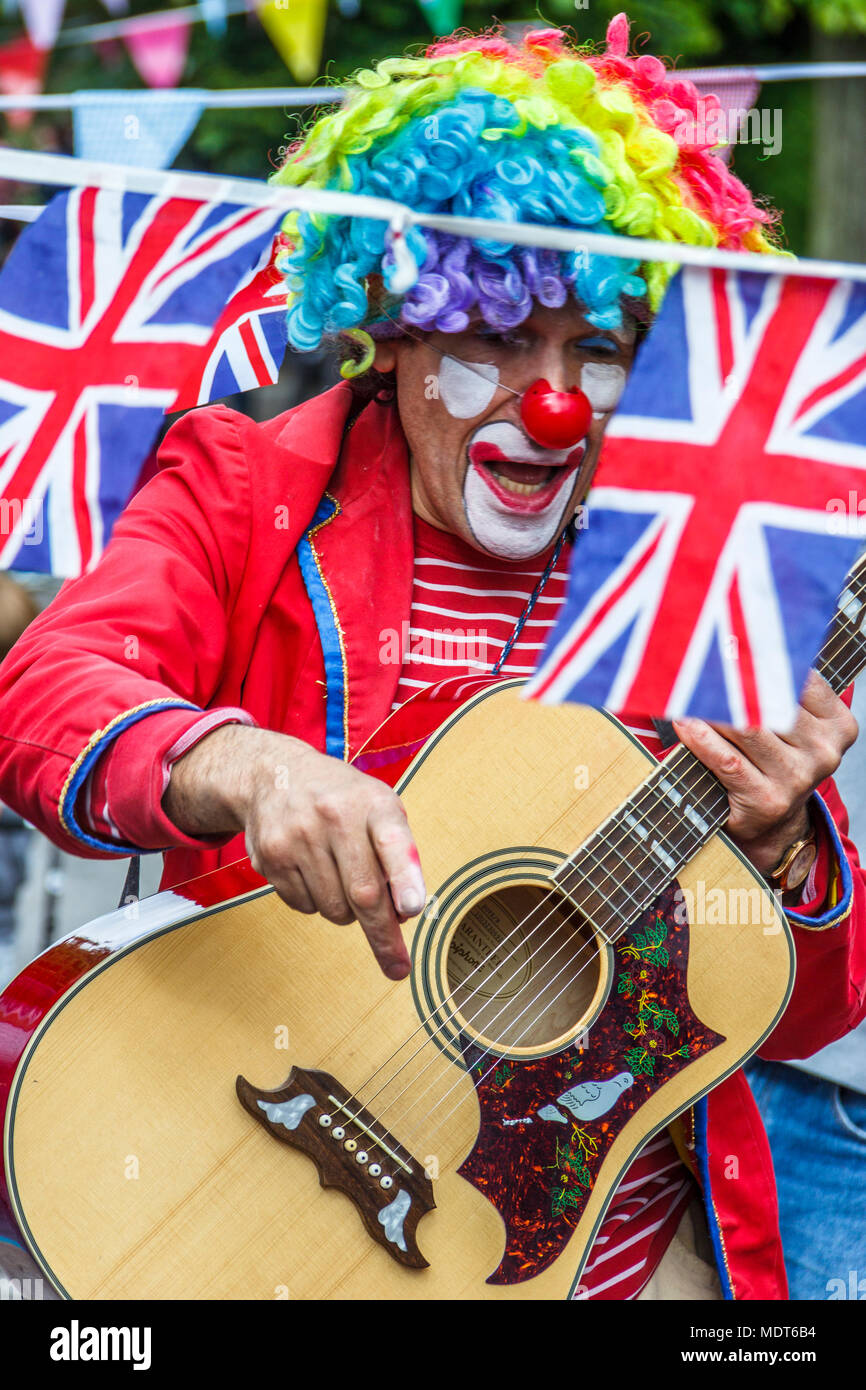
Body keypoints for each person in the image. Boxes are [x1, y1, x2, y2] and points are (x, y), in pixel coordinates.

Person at [0, 15, 863, 1301]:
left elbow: (792, 1014)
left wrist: (784, 845)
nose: (552, 401)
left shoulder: (688, 559)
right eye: (500, 339)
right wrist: (241, 763)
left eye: (597, 351)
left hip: (589, 1262)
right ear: (394, 328)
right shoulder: (246, 484)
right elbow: (48, 691)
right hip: (234, 1163)